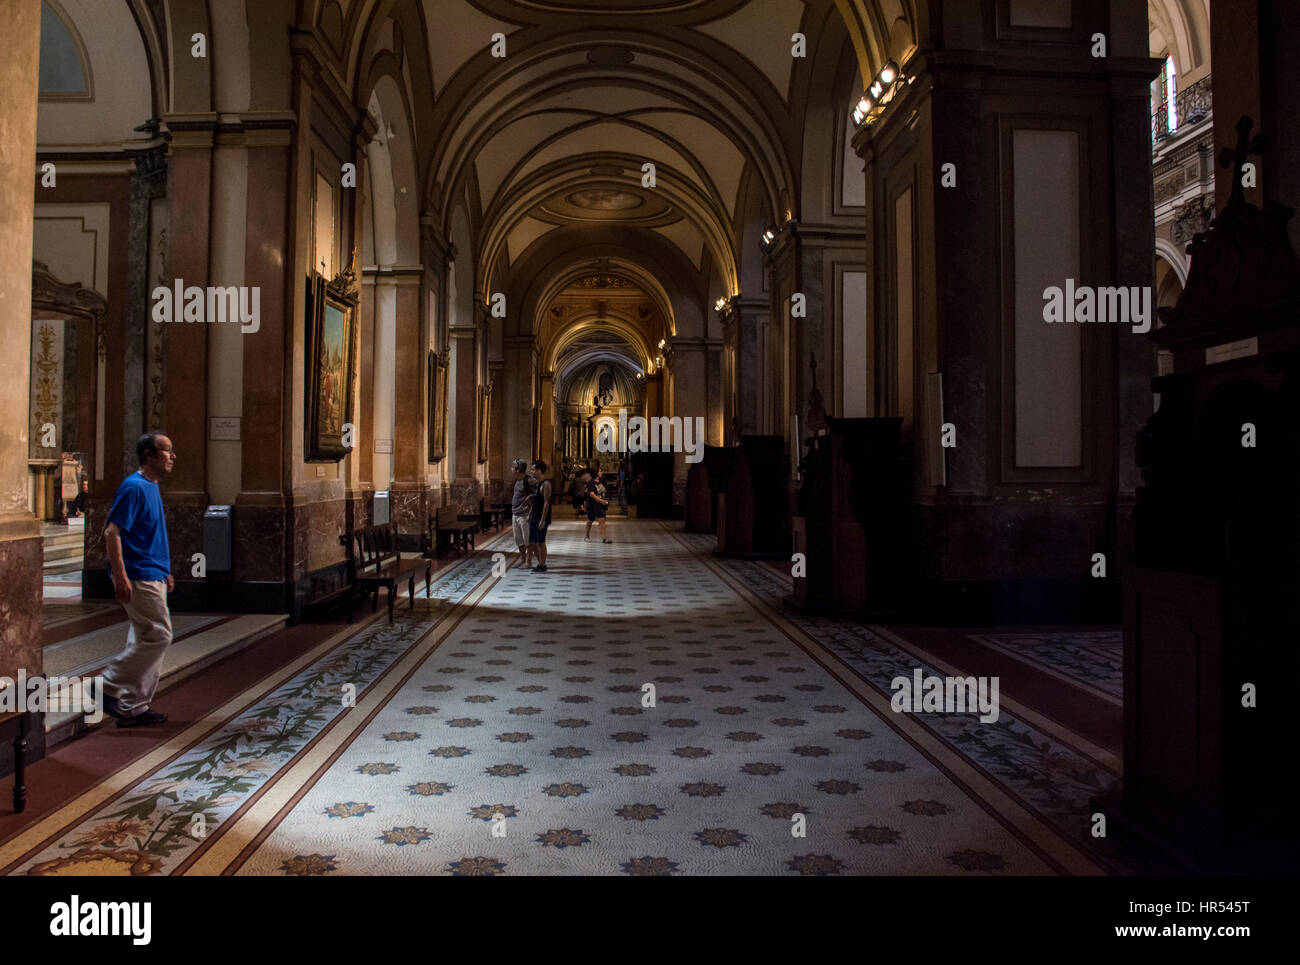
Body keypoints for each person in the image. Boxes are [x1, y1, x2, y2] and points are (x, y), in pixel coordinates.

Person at [99, 432, 176, 727]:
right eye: (166, 451)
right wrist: (121, 575)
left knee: (144, 637)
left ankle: (134, 706)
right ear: (148, 455)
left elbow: (150, 534)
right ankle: (106, 684)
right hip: (138, 574)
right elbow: (111, 533)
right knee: (159, 636)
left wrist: (165, 569)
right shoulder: (134, 487)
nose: (172, 456)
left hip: (152, 571)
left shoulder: (151, 486)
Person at [509, 458, 535, 569]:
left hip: (525, 515)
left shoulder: (529, 481)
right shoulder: (517, 480)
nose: (511, 469)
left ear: (518, 470)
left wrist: (531, 512)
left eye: (513, 467)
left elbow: (538, 494)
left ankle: (529, 562)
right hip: (516, 513)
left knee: (527, 540)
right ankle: (522, 559)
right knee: (518, 539)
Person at [528, 459, 553, 573]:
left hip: (541, 517)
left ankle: (542, 564)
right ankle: (540, 563)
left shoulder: (546, 484)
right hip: (535, 515)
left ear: (539, 470)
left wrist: (542, 520)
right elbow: (537, 501)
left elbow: (546, 502)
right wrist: (530, 514)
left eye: (533, 469)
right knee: (532, 542)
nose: (531, 472)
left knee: (540, 541)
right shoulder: (538, 484)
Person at [584, 467, 612, 543]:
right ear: (596, 473)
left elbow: (605, 491)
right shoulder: (591, 483)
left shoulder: (602, 481)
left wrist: (605, 501)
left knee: (602, 520)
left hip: (601, 505)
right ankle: (587, 536)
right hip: (592, 504)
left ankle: (604, 538)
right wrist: (601, 501)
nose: (601, 472)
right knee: (590, 520)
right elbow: (592, 495)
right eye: (600, 471)